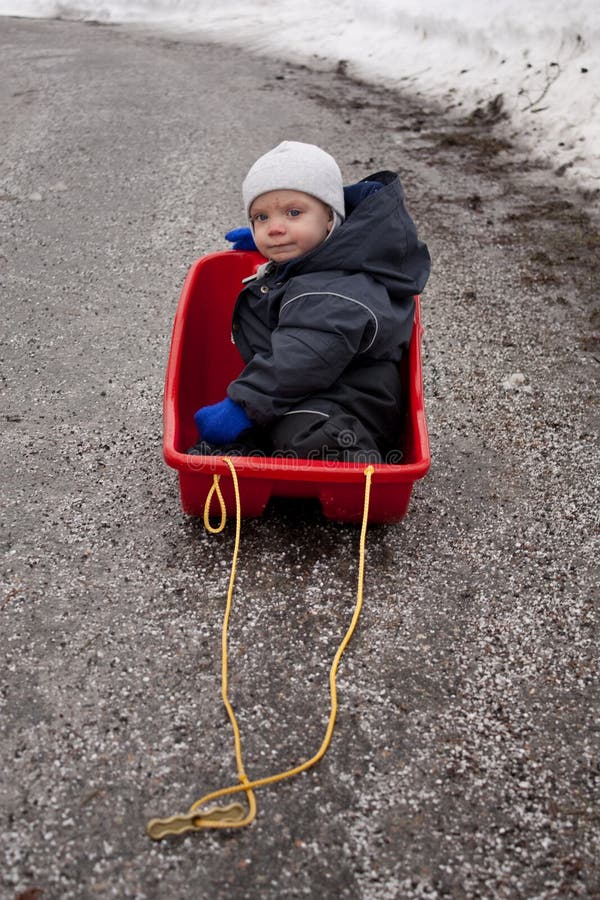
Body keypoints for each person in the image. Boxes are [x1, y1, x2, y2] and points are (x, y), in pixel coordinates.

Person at [189, 140, 430, 463]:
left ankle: (354, 462)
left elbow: (300, 358)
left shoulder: (334, 289)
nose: (275, 228)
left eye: (293, 213)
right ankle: (247, 450)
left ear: (331, 219)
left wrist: (240, 406)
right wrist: (284, 252)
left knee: (301, 435)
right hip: (312, 392)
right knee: (262, 428)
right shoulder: (319, 263)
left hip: (352, 407)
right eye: (261, 217)